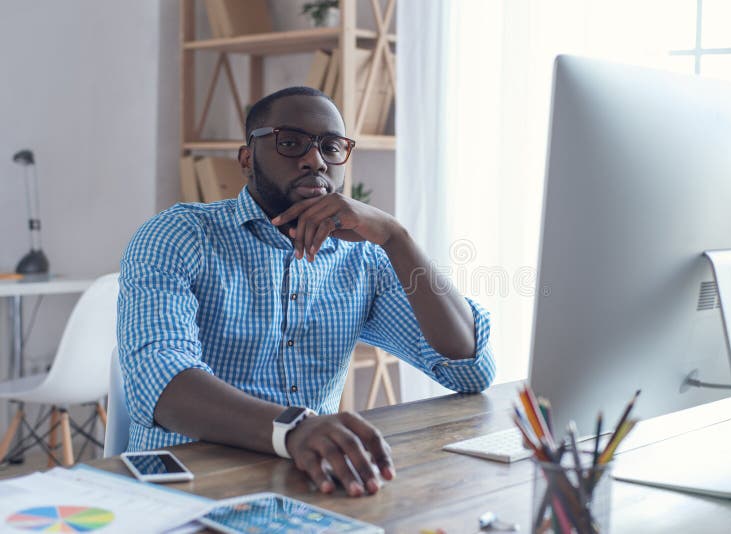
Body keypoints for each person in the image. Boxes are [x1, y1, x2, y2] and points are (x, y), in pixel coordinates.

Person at [117, 86, 495, 497]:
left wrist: (396, 237)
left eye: (331, 147)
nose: (315, 159)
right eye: (290, 142)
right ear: (247, 159)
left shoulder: (362, 259)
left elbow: (469, 367)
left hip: (307, 484)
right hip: (183, 487)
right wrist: (293, 428)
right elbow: (160, 383)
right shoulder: (179, 235)